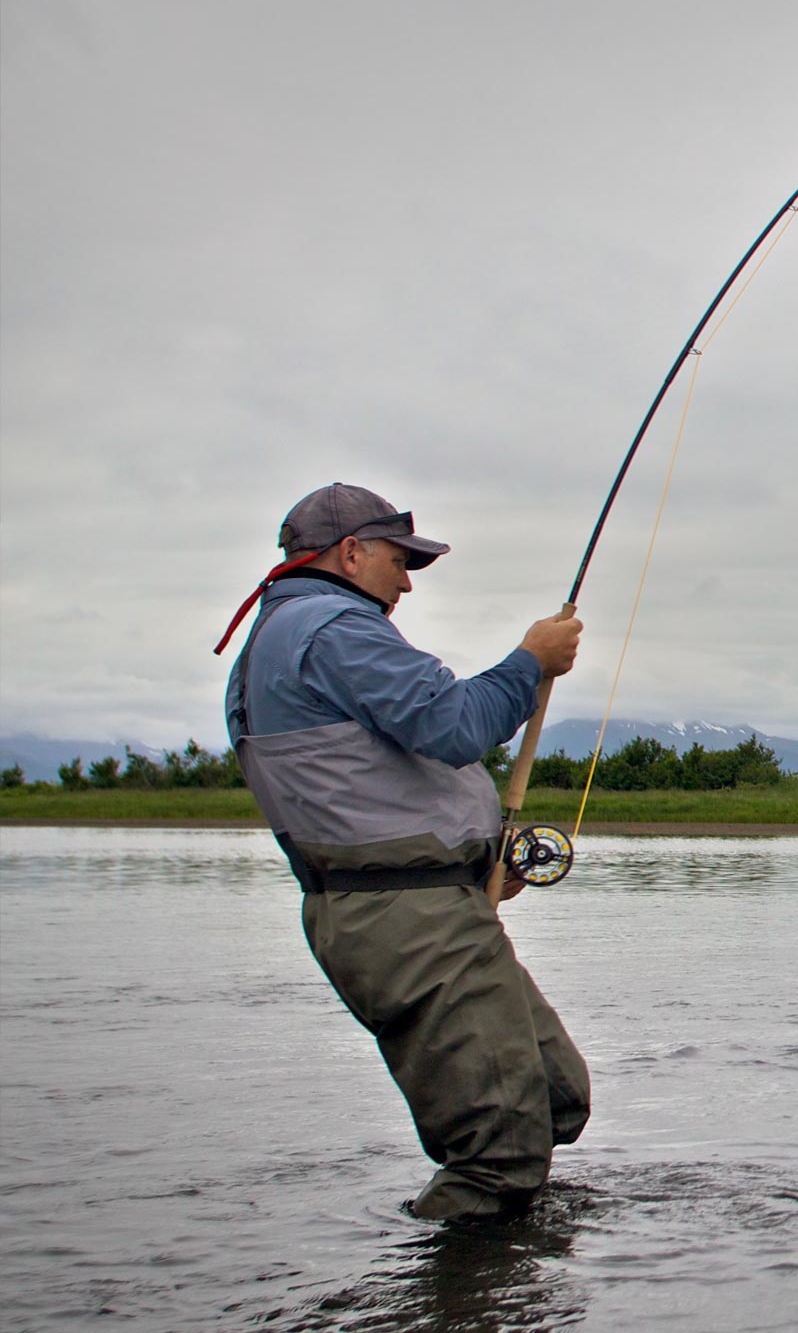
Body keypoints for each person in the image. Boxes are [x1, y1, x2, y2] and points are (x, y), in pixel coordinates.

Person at [218, 482, 589, 1221]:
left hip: (414, 908)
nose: (408, 578)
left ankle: (503, 1271)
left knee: (554, 1096)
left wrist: (473, 855)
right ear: (350, 553)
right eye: (399, 558)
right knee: (500, 1154)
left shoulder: (290, 635)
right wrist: (530, 661)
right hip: (407, 922)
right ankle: (451, 1297)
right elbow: (452, 725)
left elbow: (379, 776)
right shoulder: (332, 629)